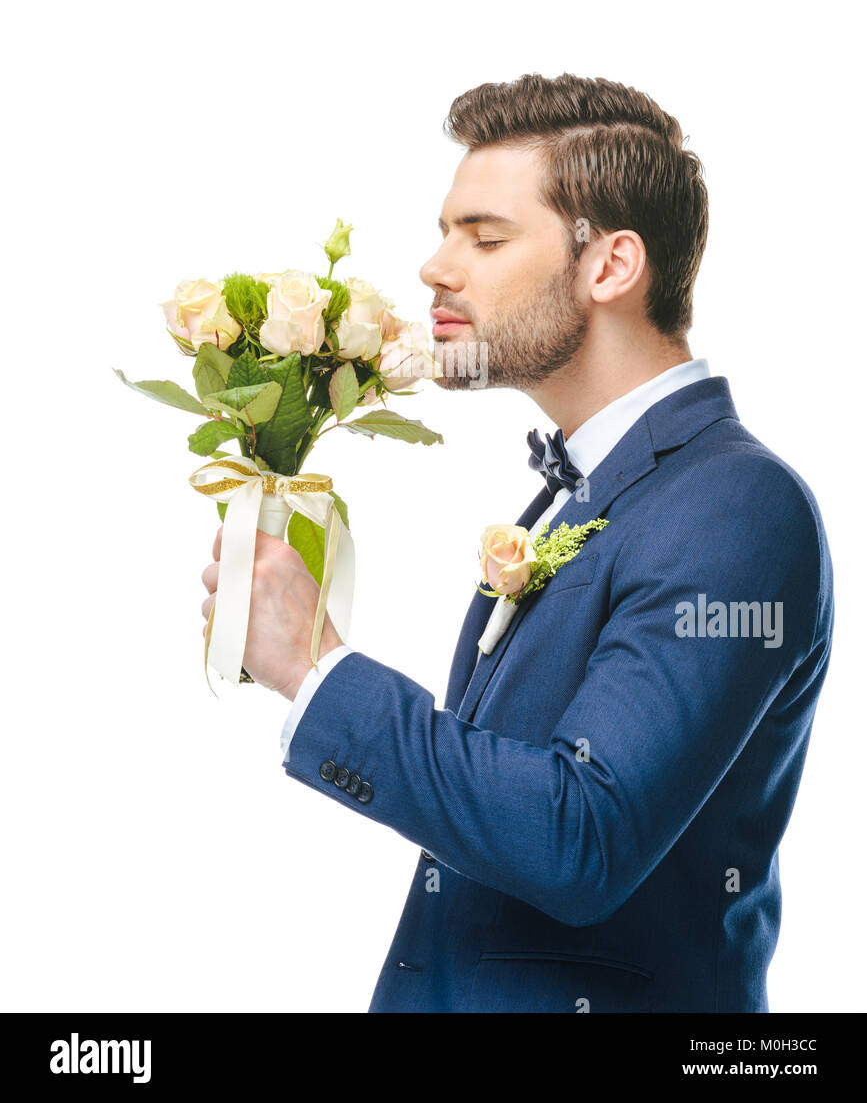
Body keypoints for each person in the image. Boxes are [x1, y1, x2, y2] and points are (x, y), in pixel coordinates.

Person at [200, 73, 833, 1013]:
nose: (434, 269)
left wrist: (319, 672)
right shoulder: (571, 494)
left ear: (610, 267)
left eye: (484, 238)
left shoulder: (737, 505)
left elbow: (579, 838)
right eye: (446, 230)